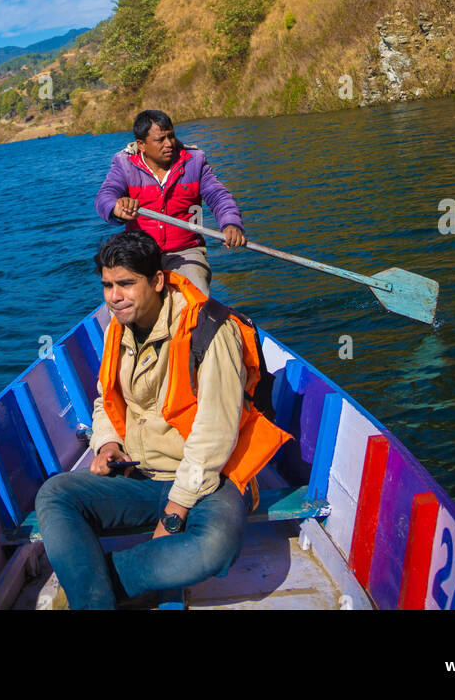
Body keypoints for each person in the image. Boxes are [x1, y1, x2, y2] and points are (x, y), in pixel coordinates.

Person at [33, 231, 291, 609]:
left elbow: (213, 435)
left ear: (156, 280)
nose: (113, 296)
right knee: (54, 495)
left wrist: (174, 514)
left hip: (209, 480)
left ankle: (91, 590)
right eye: (107, 285)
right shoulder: (117, 326)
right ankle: (96, 595)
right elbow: (108, 397)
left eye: (125, 284)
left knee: (215, 548)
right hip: (142, 474)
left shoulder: (212, 330)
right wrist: (106, 443)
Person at [94, 109, 245, 295]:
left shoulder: (194, 162)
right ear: (141, 144)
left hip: (186, 250)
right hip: (140, 254)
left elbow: (218, 196)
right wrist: (116, 208)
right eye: (160, 140)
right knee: (124, 300)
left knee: (196, 293)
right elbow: (105, 197)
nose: (169, 144)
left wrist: (230, 223)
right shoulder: (124, 164)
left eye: (171, 136)